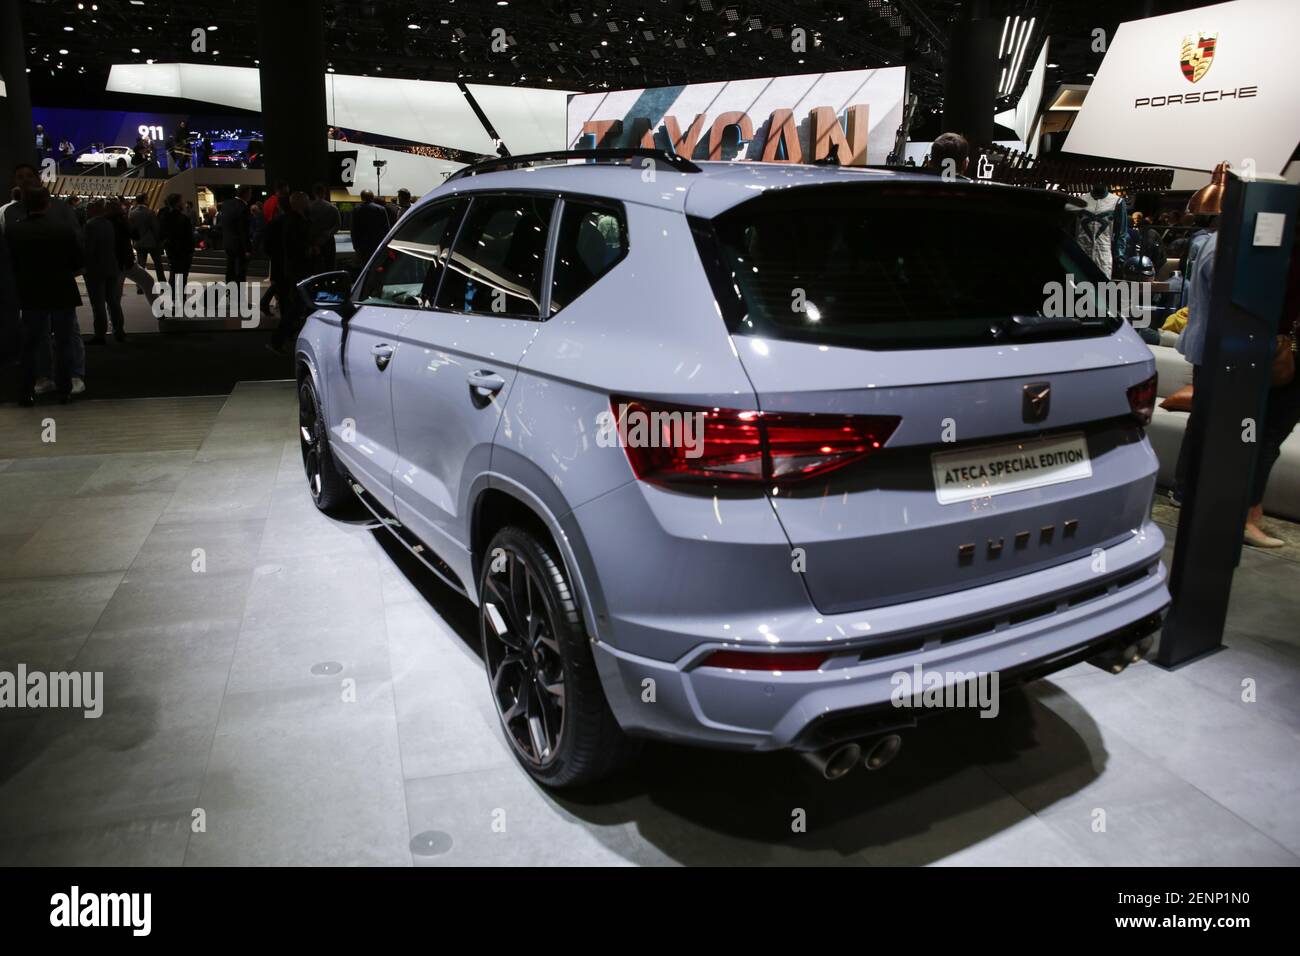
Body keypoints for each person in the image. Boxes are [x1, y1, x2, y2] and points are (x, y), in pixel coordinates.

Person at [7, 187, 82, 403]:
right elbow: (77, 265)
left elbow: (12, 265)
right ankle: (64, 390)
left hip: (31, 293)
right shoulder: (63, 229)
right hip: (62, 292)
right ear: (48, 203)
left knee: (30, 343)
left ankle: (27, 390)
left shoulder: (15, 231)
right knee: (64, 342)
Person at [269, 191, 314, 355]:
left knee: (298, 305)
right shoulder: (295, 222)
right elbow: (296, 246)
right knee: (298, 305)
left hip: (295, 268)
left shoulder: (292, 220)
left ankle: (283, 338)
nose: (309, 203)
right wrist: (309, 250)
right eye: (307, 201)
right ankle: (278, 339)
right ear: (301, 203)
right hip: (299, 268)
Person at [82, 199, 127, 344]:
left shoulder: (90, 225)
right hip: (111, 266)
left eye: (89, 208)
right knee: (113, 301)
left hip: (95, 269)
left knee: (98, 303)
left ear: (94, 210)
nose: (86, 210)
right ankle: (119, 330)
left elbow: (88, 249)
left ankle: (100, 334)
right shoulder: (109, 224)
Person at [220, 185, 253, 307]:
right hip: (239, 245)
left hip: (228, 243)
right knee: (240, 273)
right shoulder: (243, 207)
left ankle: (231, 297)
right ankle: (240, 301)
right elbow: (243, 231)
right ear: (246, 194)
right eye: (250, 193)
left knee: (230, 271)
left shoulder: (227, 204)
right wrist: (247, 249)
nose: (251, 195)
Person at [159, 192, 194, 296]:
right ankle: (179, 298)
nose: (183, 203)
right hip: (183, 251)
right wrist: (191, 250)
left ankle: (172, 298)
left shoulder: (164, 217)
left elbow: (161, 234)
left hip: (171, 250)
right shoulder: (183, 218)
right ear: (177, 203)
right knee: (182, 276)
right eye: (182, 201)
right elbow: (189, 237)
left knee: (174, 274)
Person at [128, 194, 166, 286]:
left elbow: (131, 229)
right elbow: (155, 228)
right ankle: (162, 285)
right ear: (145, 200)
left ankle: (140, 286)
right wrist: (159, 241)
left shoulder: (132, 213)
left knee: (141, 266)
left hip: (139, 243)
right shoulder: (149, 212)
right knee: (158, 265)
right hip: (152, 243)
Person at [350, 189, 390, 275]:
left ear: (361, 197)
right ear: (372, 197)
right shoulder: (381, 209)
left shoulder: (356, 210)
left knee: (365, 269)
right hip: (377, 243)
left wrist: (355, 246)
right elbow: (386, 228)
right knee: (377, 267)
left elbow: (354, 229)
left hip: (362, 245)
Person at [308, 183, 341, 271]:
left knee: (314, 267)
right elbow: (338, 225)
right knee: (329, 266)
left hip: (313, 242)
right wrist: (327, 234)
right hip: (328, 240)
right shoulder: (332, 208)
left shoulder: (308, 208)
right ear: (324, 193)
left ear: (314, 193)